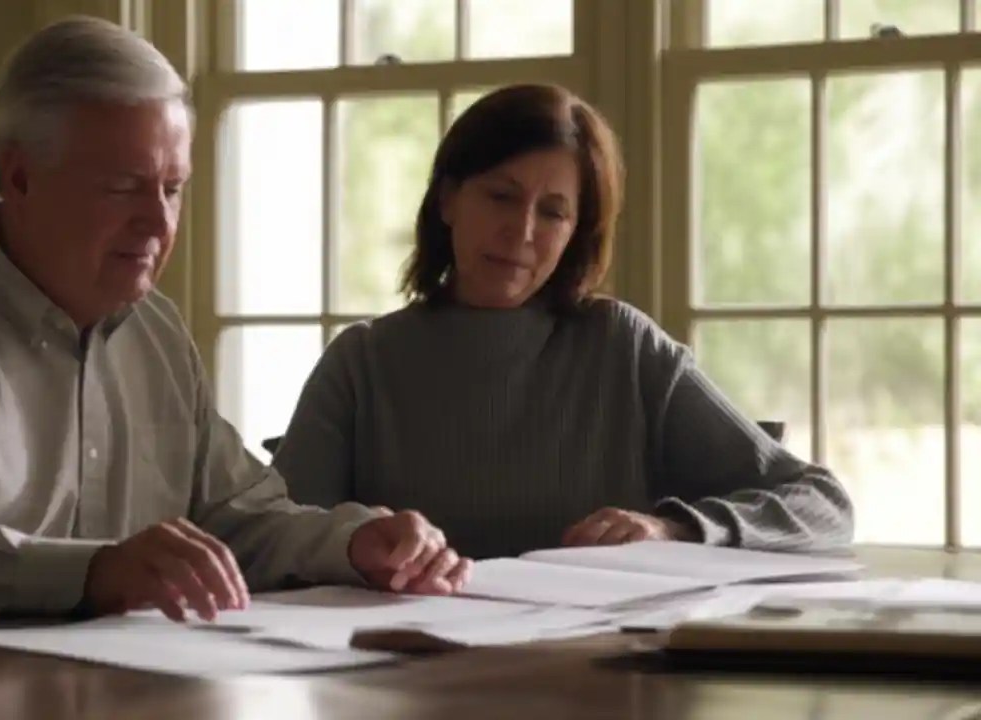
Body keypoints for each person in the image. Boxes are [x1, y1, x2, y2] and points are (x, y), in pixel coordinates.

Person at [0, 17, 470, 632]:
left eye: (172, 188)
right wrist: (93, 571)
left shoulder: (157, 333)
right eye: (123, 186)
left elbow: (238, 517)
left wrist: (355, 545)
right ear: (20, 178)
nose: (158, 222)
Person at [273, 84, 853, 560]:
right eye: (501, 196)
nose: (521, 232)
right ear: (448, 199)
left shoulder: (624, 348)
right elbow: (275, 538)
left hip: (596, 680)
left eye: (552, 212)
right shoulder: (362, 362)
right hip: (399, 678)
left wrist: (671, 529)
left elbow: (823, 505)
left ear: (577, 232)